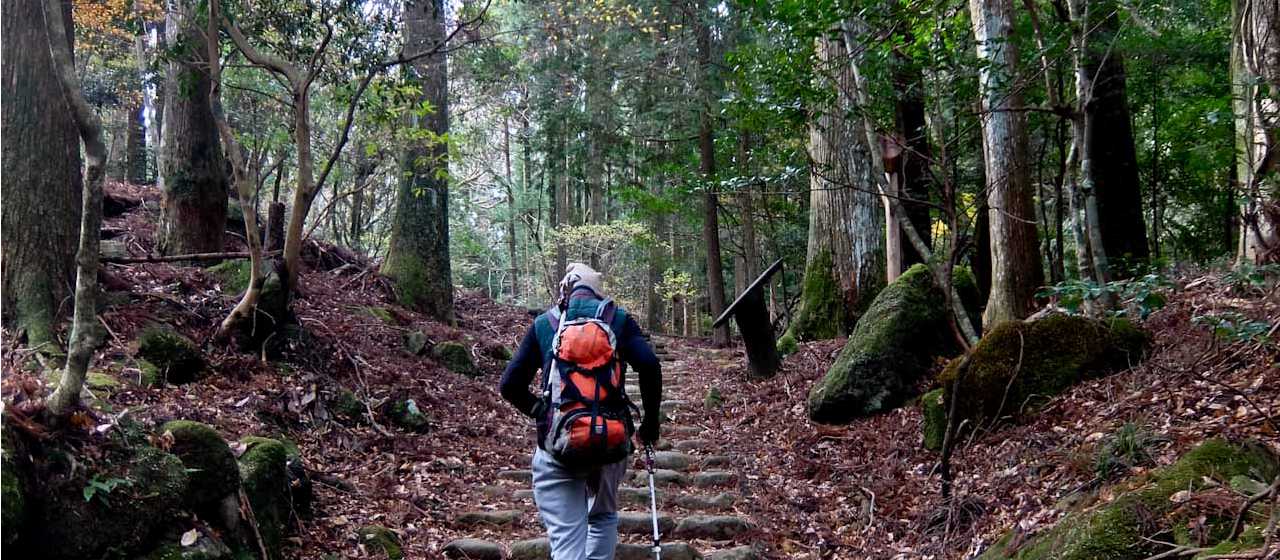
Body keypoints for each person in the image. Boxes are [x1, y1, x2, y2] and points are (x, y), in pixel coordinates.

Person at [500, 263, 663, 560]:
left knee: (566, 540)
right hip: (610, 442)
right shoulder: (619, 320)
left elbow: (509, 385)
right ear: (599, 293)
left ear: (566, 291)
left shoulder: (545, 324)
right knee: (601, 518)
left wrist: (540, 411)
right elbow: (650, 365)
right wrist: (650, 426)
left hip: (558, 445)